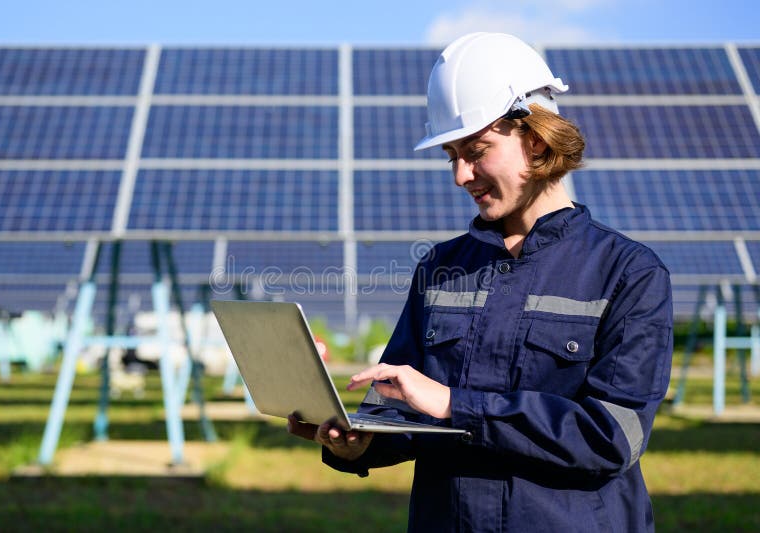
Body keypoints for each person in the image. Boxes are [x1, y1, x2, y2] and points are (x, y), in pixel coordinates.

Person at [288, 32, 673, 532]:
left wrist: (454, 404)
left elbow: (612, 436)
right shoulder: (440, 268)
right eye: (451, 155)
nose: (460, 175)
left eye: (477, 150)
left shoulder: (629, 274)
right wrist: (360, 440)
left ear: (536, 139)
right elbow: (400, 412)